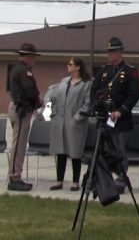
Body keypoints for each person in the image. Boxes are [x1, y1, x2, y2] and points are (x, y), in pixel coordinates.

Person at [90, 37, 139, 192]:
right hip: (105, 119)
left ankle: (121, 180)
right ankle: (104, 181)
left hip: (121, 119)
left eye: (112, 52)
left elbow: (133, 95)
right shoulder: (103, 71)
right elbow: (94, 91)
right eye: (108, 52)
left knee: (119, 152)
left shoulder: (130, 71)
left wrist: (121, 111)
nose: (109, 55)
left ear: (120, 52)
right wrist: (97, 108)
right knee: (103, 151)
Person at [45, 57, 92, 191]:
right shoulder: (64, 81)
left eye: (70, 64)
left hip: (76, 123)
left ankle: (75, 181)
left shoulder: (86, 83)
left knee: (75, 152)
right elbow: (55, 97)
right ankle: (59, 180)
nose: (68, 66)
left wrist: (77, 118)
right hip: (60, 122)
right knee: (61, 152)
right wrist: (51, 114)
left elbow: (88, 103)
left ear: (78, 67)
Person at [7, 42, 42, 191]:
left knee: (19, 145)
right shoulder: (23, 71)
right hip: (21, 110)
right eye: (33, 56)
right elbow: (30, 91)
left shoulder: (19, 69)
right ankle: (15, 178)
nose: (34, 59)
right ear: (28, 56)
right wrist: (39, 101)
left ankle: (16, 175)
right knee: (19, 146)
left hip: (20, 108)